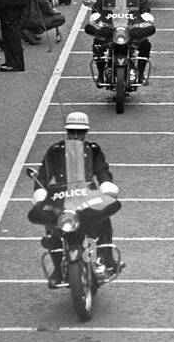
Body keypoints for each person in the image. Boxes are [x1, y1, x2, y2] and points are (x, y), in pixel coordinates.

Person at [30, 111, 122, 282]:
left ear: (85, 132)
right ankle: (58, 268)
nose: (75, 135)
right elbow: (43, 175)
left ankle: (106, 259)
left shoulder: (93, 150)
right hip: (61, 197)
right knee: (51, 229)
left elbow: (102, 171)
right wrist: (40, 193)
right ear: (67, 131)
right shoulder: (55, 151)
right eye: (72, 131)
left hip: (87, 194)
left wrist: (106, 186)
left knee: (101, 221)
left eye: (79, 132)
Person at [85, 0, 155, 81]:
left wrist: (145, 14)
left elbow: (143, 4)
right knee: (97, 44)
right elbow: (99, 4)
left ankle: (140, 74)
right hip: (110, 24)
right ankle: (100, 74)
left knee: (145, 44)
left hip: (131, 24)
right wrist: (96, 14)